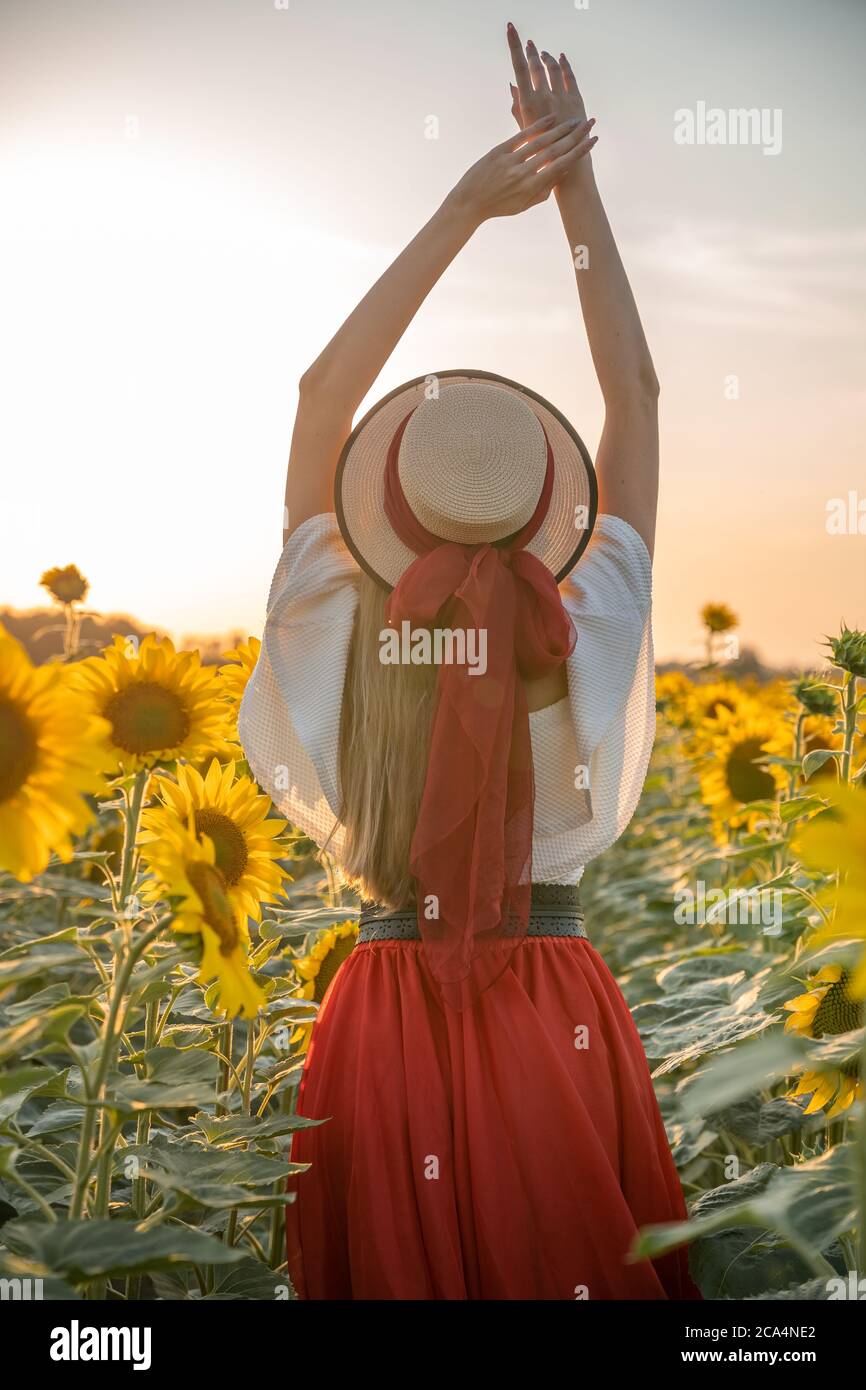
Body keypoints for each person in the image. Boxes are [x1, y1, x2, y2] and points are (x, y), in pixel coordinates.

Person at [239, 27, 700, 1300]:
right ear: (542, 501)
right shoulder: (586, 608)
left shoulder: (331, 600)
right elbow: (642, 395)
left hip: (381, 1011)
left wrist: (461, 206)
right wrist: (575, 191)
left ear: (382, 494)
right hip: (550, 1000)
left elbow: (319, 391)